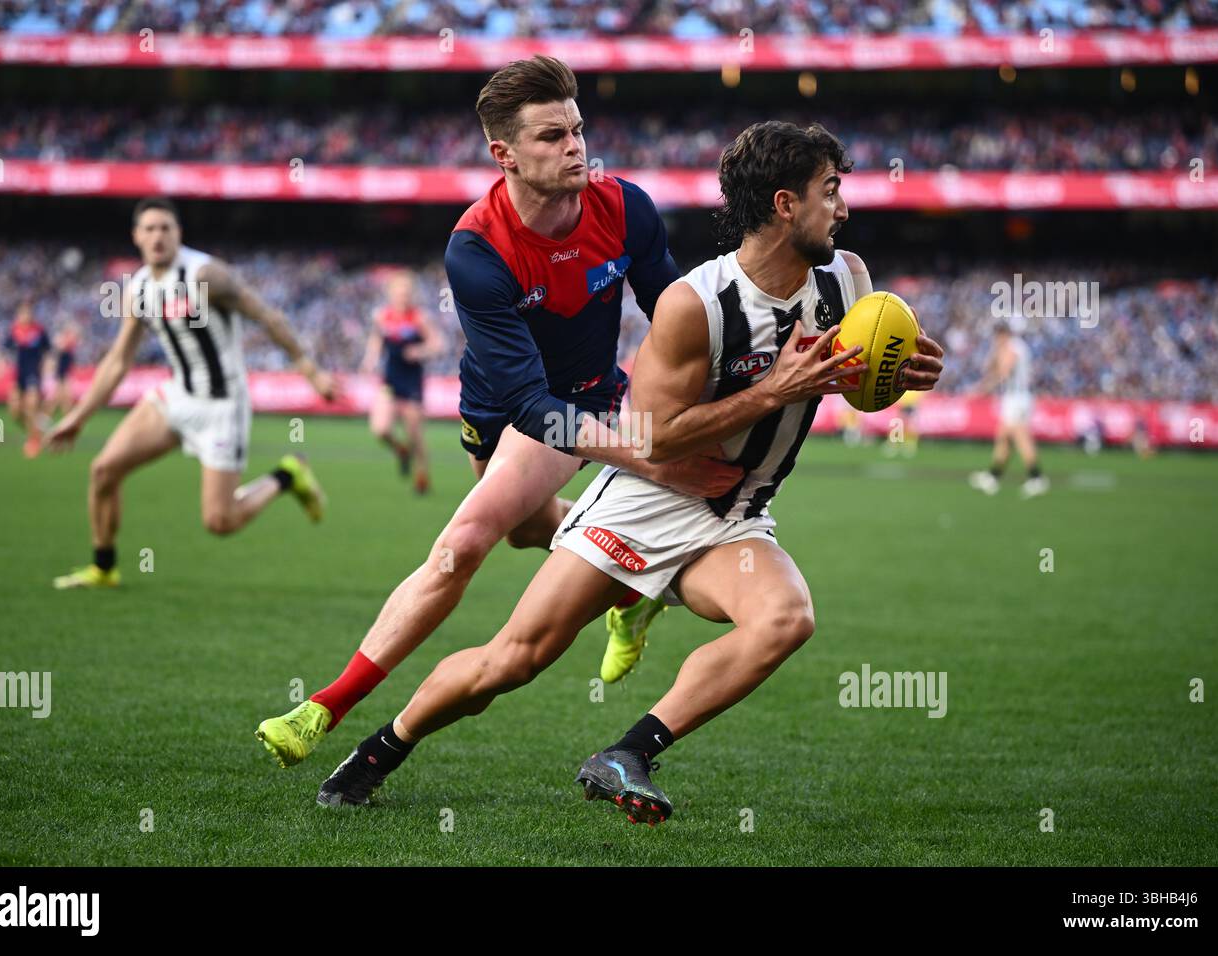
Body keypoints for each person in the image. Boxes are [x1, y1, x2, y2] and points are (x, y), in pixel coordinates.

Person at [311, 120, 946, 819]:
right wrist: (774, 391)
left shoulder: (850, 280)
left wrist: (909, 372)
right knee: (513, 661)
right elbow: (657, 438)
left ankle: (628, 753)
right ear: (785, 204)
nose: (845, 208)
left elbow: (861, 382)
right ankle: (379, 750)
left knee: (785, 618)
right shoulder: (692, 306)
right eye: (831, 192)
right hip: (642, 500)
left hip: (732, 516)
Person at [255, 55, 740, 770]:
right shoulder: (477, 251)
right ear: (503, 154)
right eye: (551, 137)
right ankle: (633, 589)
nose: (575, 146)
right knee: (526, 528)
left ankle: (328, 703)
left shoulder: (626, 207)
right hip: (504, 404)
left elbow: (678, 318)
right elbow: (525, 404)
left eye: (577, 130)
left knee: (465, 539)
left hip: (584, 396)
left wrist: (746, 382)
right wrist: (650, 457)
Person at [44, 197, 338, 589]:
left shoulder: (206, 275)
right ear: (136, 236)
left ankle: (288, 475)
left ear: (178, 234)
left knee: (220, 521)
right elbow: (118, 360)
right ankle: (104, 567)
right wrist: (77, 419)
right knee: (103, 470)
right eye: (148, 229)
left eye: (165, 228)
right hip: (176, 397)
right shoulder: (139, 289)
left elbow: (267, 316)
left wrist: (309, 370)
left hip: (221, 406)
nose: (157, 236)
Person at [360, 270, 444, 494]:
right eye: (399, 292)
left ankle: (422, 476)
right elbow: (376, 341)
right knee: (380, 429)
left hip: (412, 383)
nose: (403, 297)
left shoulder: (418, 317)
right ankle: (400, 450)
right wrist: (369, 360)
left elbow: (438, 344)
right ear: (390, 294)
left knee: (415, 434)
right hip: (390, 381)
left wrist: (420, 350)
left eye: (407, 293)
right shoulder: (382, 316)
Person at [968, 321, 1048, 498]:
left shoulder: (1013, 347)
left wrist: (981, 389)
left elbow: (1002, 372)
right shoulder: (1016, 346)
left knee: (1020, 438)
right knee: (1003, 437)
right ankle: (993, 476)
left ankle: (1037, 477)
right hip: (1016, 398)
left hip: (1017, 398)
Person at [5, 301, 50, 459]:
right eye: (22, 313)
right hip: (18, 375)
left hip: (33, 374)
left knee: (31, 406)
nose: (25, 316)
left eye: (28, 313)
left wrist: (48, 367)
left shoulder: (39, 331)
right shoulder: (14, 330)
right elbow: (5, 349)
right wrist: (0, 362)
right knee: (14, 412)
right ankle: (36, 429)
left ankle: (34, 440)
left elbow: (48, 351)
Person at [47, 321, 81, 418]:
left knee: (62, 399)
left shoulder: (70, 341)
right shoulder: (62, 340)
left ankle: (65, 419)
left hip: (65, 372)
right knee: (61, 398)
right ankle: (65, 419)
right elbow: (58, 350)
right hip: (61, 373)